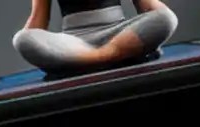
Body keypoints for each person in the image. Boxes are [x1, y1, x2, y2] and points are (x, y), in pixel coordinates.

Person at [12, 0, 179, 75]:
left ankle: (81, 64)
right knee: (23, 39)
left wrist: (163, 21)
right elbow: (38, 19)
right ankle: (122, 57)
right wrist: (33, 46)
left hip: (119, 35)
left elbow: (149, 6)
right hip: (76, 43)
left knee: (166, 18)